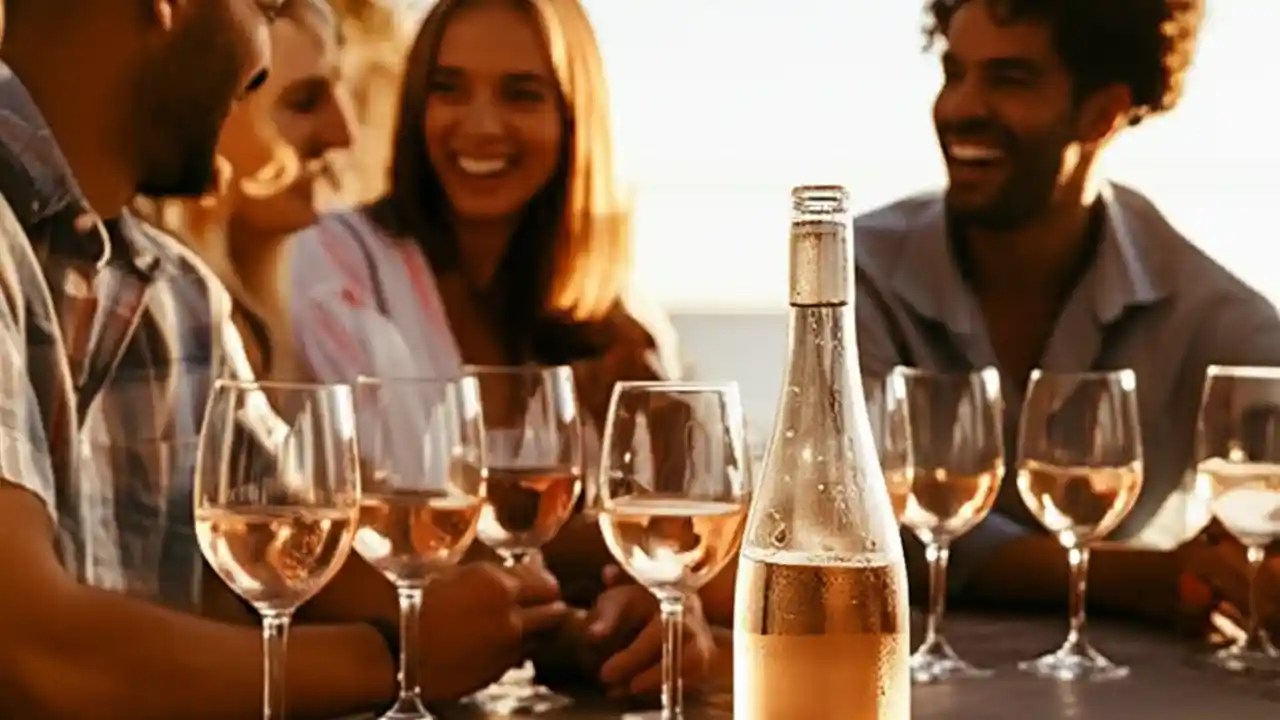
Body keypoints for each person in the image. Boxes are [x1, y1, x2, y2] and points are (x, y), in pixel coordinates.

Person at [0, 1, 564, 716]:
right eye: (264, 5)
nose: (260, 60)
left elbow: (314, 554)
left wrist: (558, 626)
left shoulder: (179, 302)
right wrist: (397, 660)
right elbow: (25, 657)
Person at [288, 0, 721, 697]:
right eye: (448, 89)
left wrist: (642, 617)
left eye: (521, 95)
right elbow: (400, 527)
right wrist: (607, 541)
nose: (480, 125)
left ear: (574, 118)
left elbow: (692, 552)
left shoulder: (621, 322)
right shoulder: (341, 264)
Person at [855, 0, 1280, 636]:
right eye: (955, 73)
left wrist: (1247, 566)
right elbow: (853, 517)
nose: (961, 107)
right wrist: (1147, 579)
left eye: (1009, 79)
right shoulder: (858, 269)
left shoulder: (1214, 313)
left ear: (1101, 113)